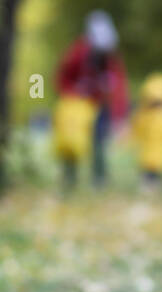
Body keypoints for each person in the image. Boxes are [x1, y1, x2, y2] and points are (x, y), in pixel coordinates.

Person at [55, 11, 129, 189]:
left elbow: (119, 86)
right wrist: (73, 91)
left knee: (99, 141)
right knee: (71, 141)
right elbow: (61, 77)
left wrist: (120, 114)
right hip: (77, 106)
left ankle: (100, 179)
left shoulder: (111, 58)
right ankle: (69, 179)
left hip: (99, 104)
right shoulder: (78, 52)